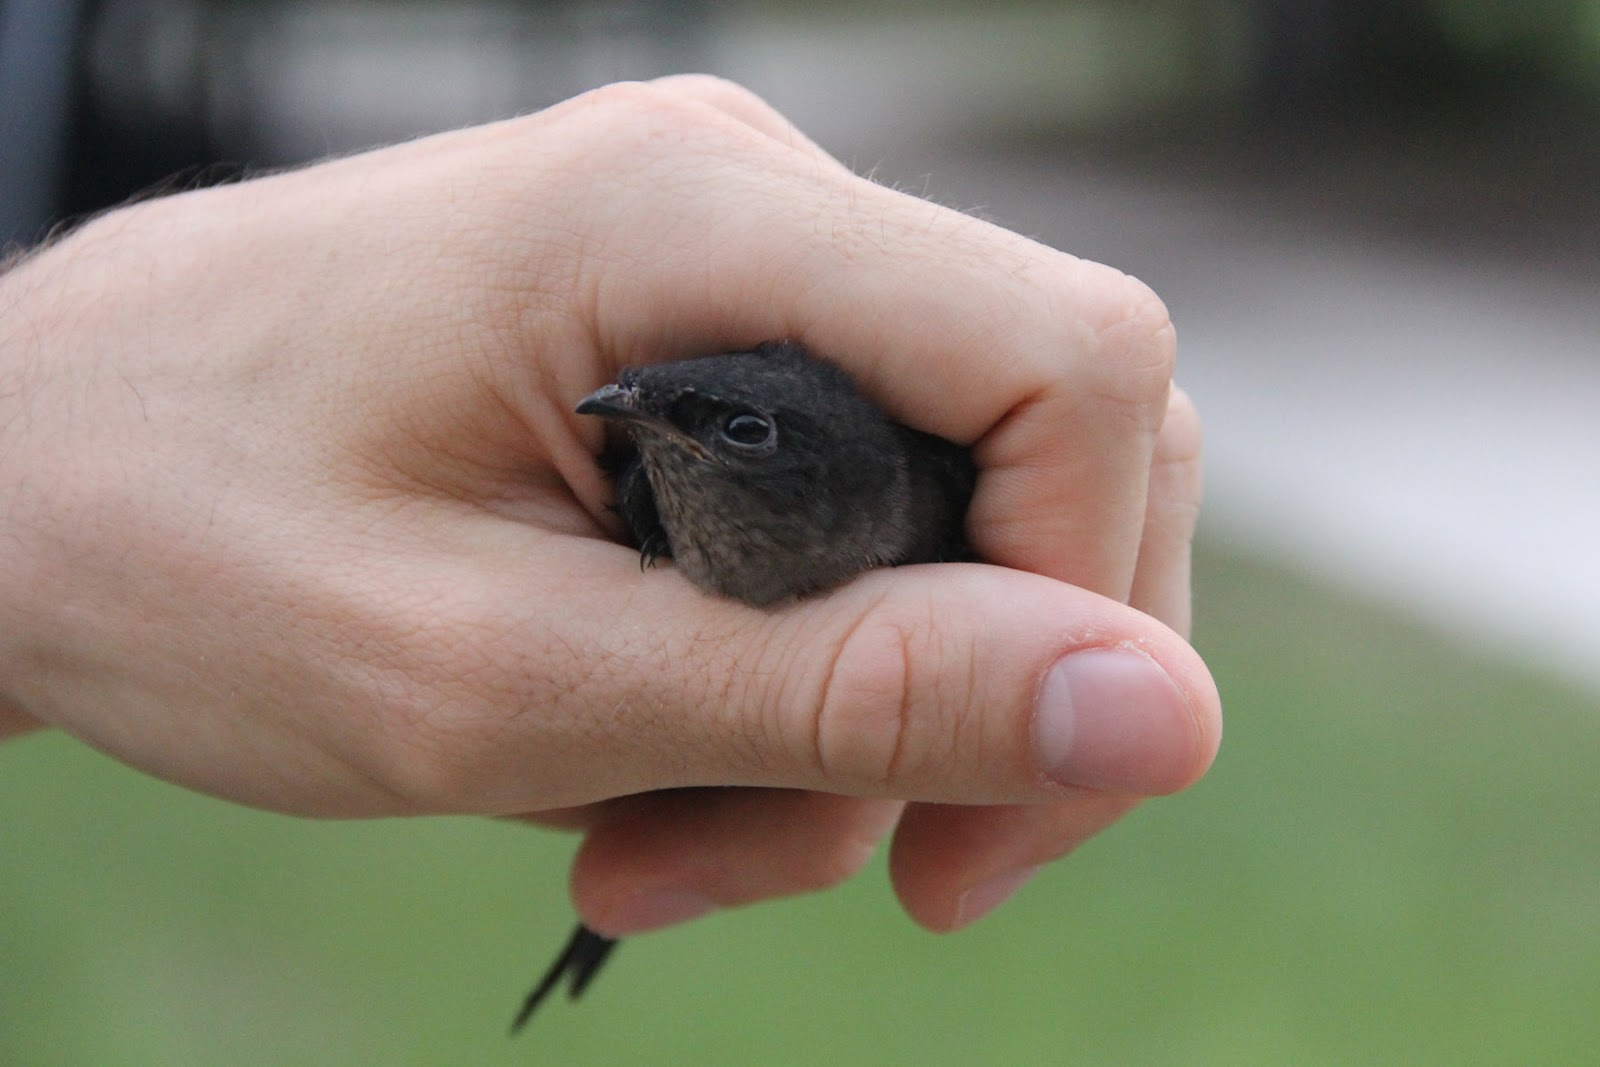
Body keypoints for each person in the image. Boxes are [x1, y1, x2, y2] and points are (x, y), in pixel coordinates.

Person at [0, 76, 1220, 937]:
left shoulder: (922, 490)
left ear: (839, 466)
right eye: (649, 416)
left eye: (733, 431)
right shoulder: (648, 487)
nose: (642, 430)